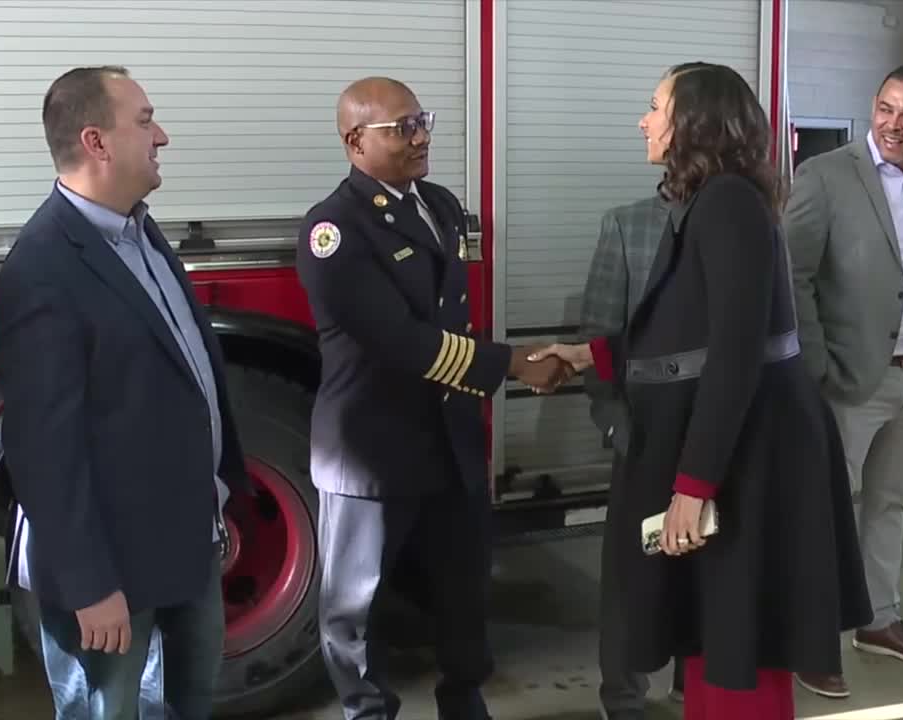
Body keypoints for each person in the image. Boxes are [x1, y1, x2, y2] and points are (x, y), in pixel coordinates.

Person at [531, 62, 870, 720]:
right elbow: (689, 332)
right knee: (717, 636)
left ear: (694, 122)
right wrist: (588, 352)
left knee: (738, 643)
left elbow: (738, 352)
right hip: (738, 450)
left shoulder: (728, 202)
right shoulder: (714, 201)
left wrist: (693, 488)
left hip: (750, 459)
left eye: (656, 107)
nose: (644, 120)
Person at [296, 76, 571, 720]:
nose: (420, 138)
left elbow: (450, 318)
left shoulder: (440, 205)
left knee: (463, 590)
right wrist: (513, 366)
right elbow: (400, 341)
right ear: (355, 140)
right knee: (355, 610)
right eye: (402, 128)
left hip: (448, 441)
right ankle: (367, 711)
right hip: (373, 449)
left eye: (423, 121)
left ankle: (464, 700)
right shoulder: (333, 229)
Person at [0, 65, 249, 720]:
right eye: (143, 120)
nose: (160, 135)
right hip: (109, 575)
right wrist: (88, 584)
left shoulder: (139, 230)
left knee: (189, 705)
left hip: (185, 545)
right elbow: (44, 448)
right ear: (96, 141)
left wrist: (218, 495)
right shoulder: (42, 266)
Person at [783, 63, 903, 698]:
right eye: (886, 108)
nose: (894, 124)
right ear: (873, 106)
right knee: (825, 515)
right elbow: (794, 274)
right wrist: (819, 366)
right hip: (851, 380)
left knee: (890, 506)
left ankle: (878, 621)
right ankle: (809, 639)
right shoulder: (826, 176)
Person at [579, 195, 684, 719]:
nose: (646, 122)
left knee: (709, 571)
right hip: (644, 437)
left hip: (719, 436)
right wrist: (617, 421)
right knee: (633, 573)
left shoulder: (748, 219)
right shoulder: (628, 225)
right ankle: (623, 700)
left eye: (655, 109)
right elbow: (600, 332)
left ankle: (697, 689)